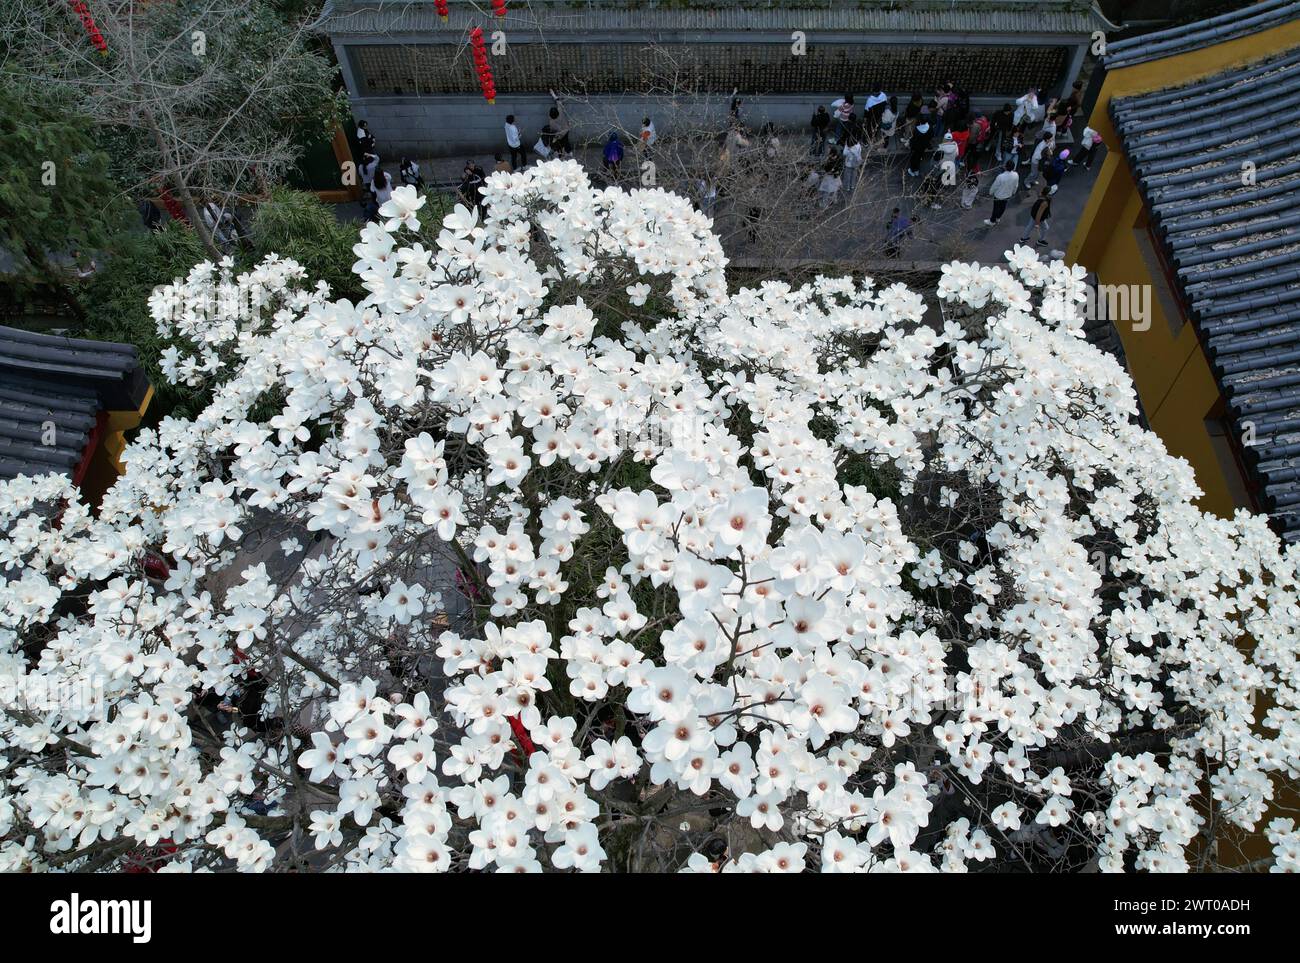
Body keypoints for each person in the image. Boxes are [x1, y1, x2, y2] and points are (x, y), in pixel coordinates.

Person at [984, 159, 1020, 225]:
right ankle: (998, 218)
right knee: (1003, 207)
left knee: (996, 208)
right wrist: (1013, 192)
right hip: (1008, 194)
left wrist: (990, 192)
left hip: (999, 195)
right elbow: (1016, 185)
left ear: (1006, 167)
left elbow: (995, 186)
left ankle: (992, 221)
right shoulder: (1016, 175)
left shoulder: (1000, 177)